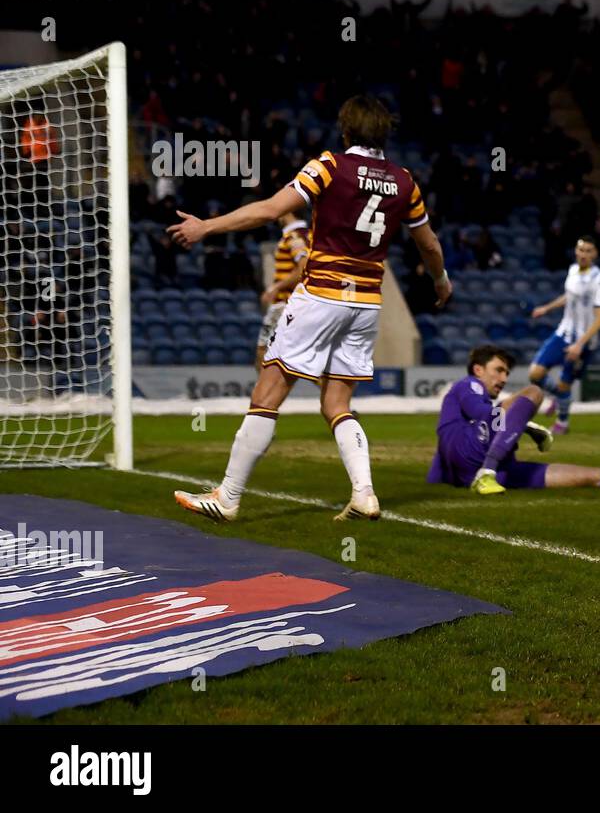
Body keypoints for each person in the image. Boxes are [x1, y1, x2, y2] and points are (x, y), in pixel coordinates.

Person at [168, 95, 452, 523]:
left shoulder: (330, 166)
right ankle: (364, 494)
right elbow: (428, 243)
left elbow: (269, 210)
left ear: (346, 130)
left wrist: (207, 226)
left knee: (268, 392)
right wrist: (440, 280)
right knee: (337, 401)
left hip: (320, 293)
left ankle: (228, 497)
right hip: (367, 303)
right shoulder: (404, 181)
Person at [430, 345, 600, 494]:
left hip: (488, 466)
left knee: (591, 477)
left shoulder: (462, 412)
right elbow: (483, 414)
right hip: (478, 458)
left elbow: (445, 452)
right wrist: (521, 417)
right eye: (499, 370)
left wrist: (438, 477)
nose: (503, 378)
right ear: (478, 369)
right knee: (533, 390)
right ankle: (487, 473)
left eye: (506, 372)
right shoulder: (467, 384)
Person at [528, 235, 600, 434]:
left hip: (583, 342)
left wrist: (580, 344)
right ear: (575, 251)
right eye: (581, 250)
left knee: (565, 385)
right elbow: (569, 296)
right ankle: (560, 397)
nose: (583, 254)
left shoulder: (599, 280)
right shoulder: (573, 270)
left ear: (595, 254)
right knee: (535, 373)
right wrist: (546, 308)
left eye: (589, 251)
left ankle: (562, 423)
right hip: (563, 333)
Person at [256, 210, 310, 369]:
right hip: (298, 303)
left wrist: (275, 287)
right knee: (299, 356)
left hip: (285, 303)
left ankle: (264, 393)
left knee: (263, 350)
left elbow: (303, 268)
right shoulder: (308, 234)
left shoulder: (294, 236)